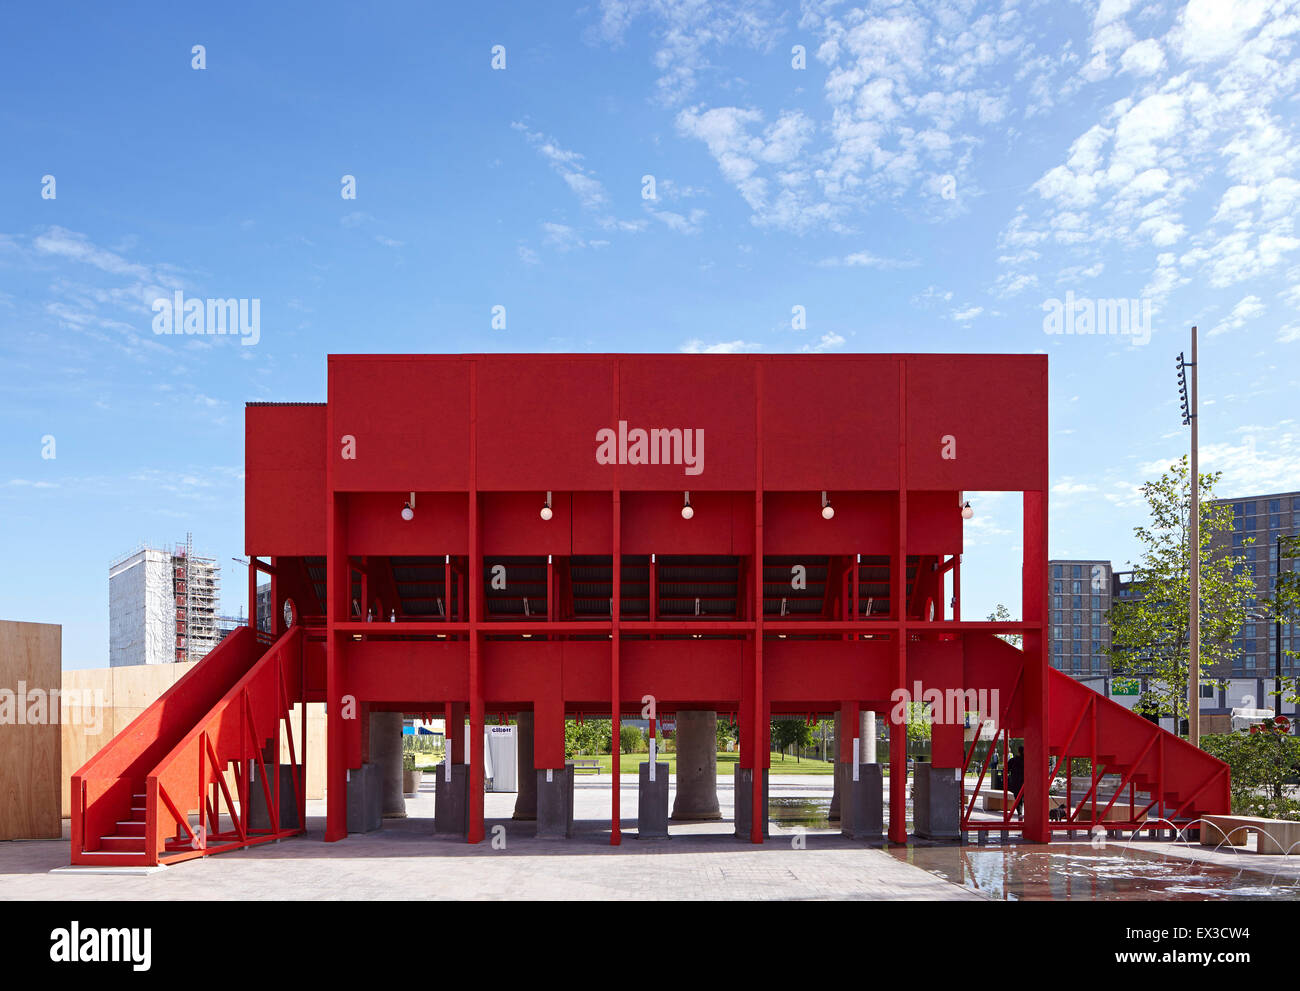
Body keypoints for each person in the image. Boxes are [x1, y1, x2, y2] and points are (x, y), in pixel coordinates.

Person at [1007, 745, 1025, 815]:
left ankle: (1019, 813)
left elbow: (1006, 769)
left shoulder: (1013, 760)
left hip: (1016, 782)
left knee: (1018, 799)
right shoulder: (1027, 760)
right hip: (1025, 782)